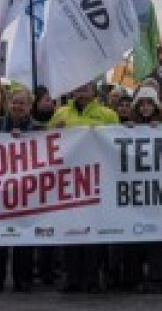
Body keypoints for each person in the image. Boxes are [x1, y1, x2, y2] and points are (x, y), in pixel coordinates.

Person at [49, 81, 118, 294]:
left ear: (94, 90)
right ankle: (72, 278)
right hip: (69, 181)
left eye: (86, 87)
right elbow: (46, 144)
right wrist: (53, 130)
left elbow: (117, 141)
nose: (81, 90)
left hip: (97, 179)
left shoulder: (107, 115)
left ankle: (91, 278)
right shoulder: (61, 113)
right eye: (78, 86)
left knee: (93, 232)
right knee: (71, 230)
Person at [120, 89, 162, 295]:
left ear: (156, 107)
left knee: (161, 236)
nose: (146, 108)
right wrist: (125, 130)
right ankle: (134, 278)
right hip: (135, 191)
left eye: (149, 104)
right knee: (135, 237)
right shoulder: (127, 128)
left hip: (158, 192)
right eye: (142, 105)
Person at [0, 88, 41, 292]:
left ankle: (23, 278)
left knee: (24, 236)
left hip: (27, 190)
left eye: (22, 103)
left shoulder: (38, 128)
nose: (17, 106)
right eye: (14, 102)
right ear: (8, 104)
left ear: (29, 106)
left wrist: (26, 137)